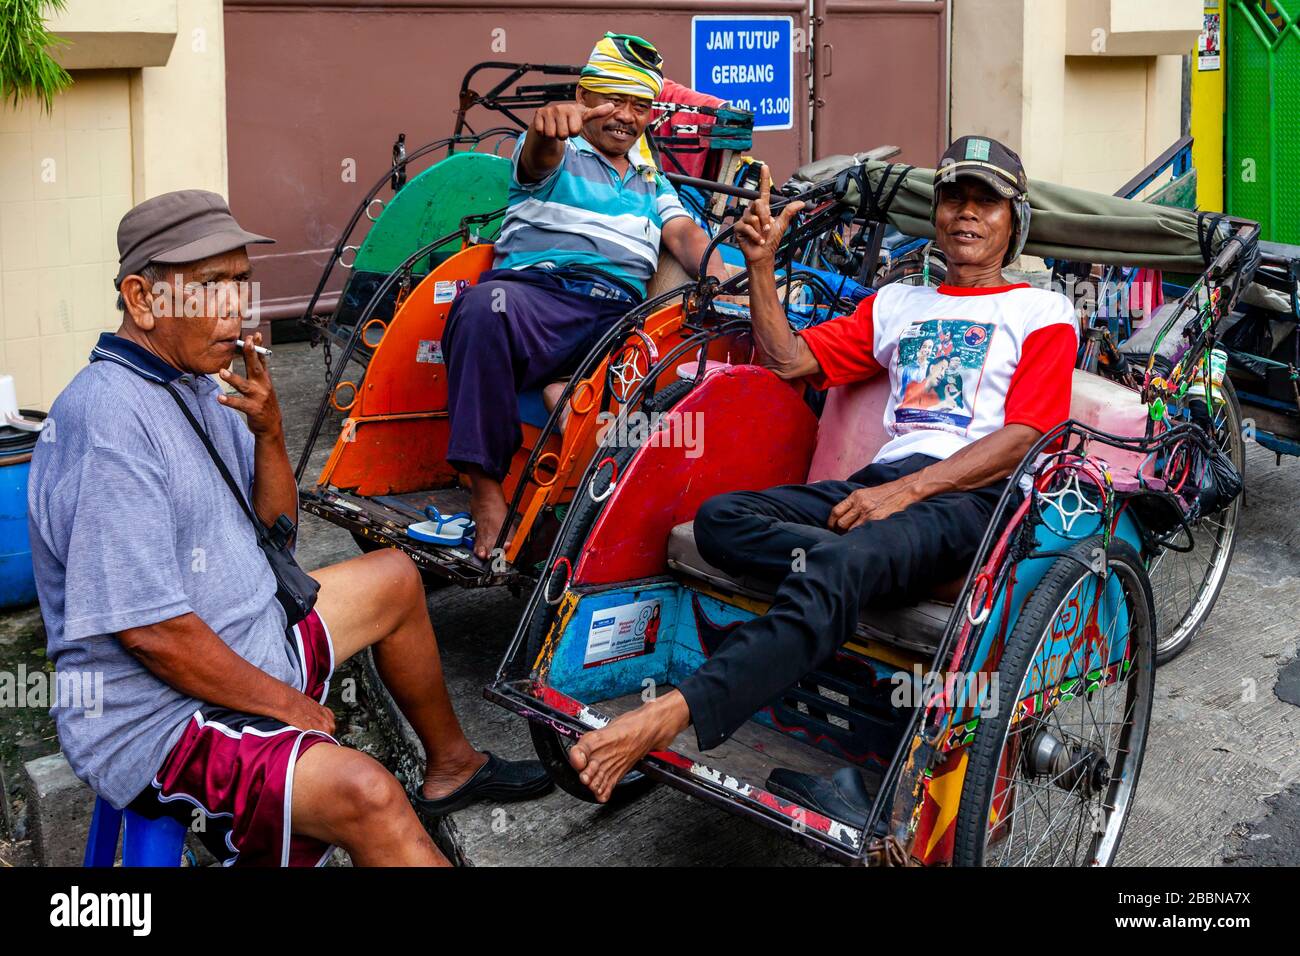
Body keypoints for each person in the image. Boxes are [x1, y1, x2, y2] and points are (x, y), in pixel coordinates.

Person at [27, 190, 551, 867]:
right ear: (143, 299)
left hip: (242, 636)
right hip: (153, 714)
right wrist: (287, 704)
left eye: (241, 283)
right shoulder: (108, 424)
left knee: (394, 577)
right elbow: (150, 632)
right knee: (367, 792)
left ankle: (452, 764)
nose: (236, 308)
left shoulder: (199, 381)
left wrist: (270, 431)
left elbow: (277, 538)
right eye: (211, 288)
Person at [563, 137, 1080, 818]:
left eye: (987, 201)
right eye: (955, 197)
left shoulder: (1042, 312)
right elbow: (788, 361)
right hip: (881, 487)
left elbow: (1025, 438)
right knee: (720, 520)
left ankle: (678, 711)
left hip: (970, 498)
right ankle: (840, 573)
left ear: (1015, 220)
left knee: (840, 560)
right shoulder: (899, 303)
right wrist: (761, 264)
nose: (967, 214)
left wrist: (902, 492)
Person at [442, 32, 724, 560]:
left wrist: (726, 275)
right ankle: (485, 491)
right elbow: (537, 157)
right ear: (583, 95)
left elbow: (685, 236)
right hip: (538, 299)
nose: (625, 115)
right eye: (613, 99)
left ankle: (567, 391)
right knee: (481, 308)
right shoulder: (558, 154)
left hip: (616, 315)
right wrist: (545, 131)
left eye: (640, 105)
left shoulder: (652, 178)